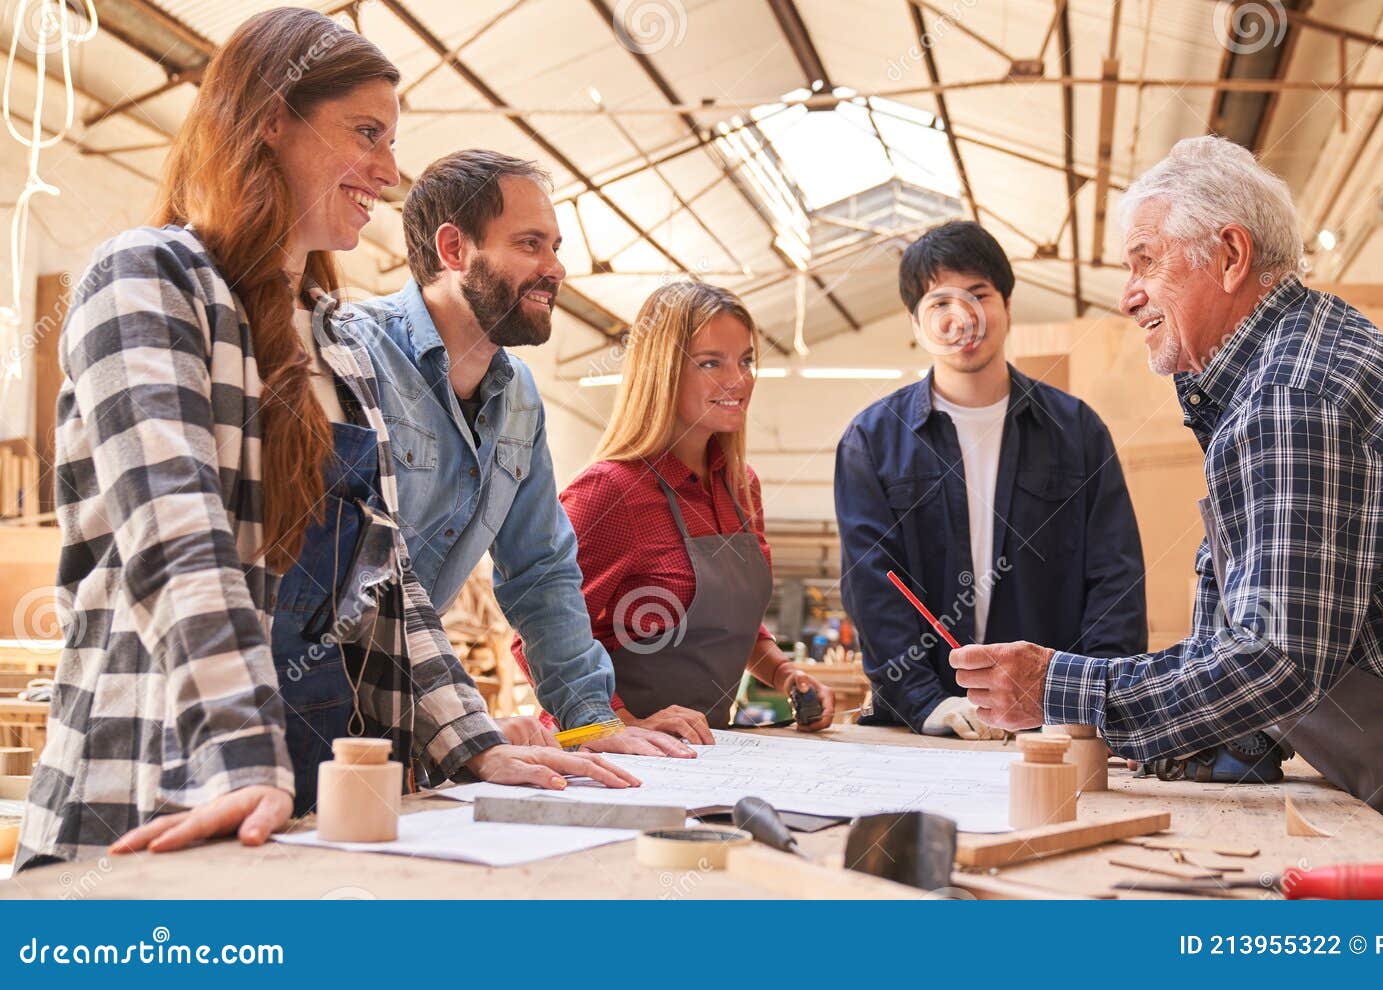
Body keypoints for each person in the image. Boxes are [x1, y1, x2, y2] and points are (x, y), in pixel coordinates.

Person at [14, 9, 635, 871]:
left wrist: (473, 742)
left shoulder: (336, 341)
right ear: (271, 120)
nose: (388, 172)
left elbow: (390, 586)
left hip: (317, 788)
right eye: (367, 134)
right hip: (164, 776)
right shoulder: (148, 280)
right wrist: (239, 752)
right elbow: (175, 537)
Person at [946, 136, 1383, 898]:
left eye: (1145, 261)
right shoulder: (1272, 369)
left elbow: (1277, 658)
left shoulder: (1292, 395)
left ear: (1229, 254)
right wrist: (1187, 730)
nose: (1127, 295)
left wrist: (1061, 687)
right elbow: (1260, 620)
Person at [351, 150, 702, 753]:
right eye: (530, 244)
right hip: (307, 693)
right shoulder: (359, 357)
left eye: (557, 247)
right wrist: (470, 730)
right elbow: (364, 573)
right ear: (454, 250)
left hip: (406, 705)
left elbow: (541, 570)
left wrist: (590, 722)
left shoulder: (518, 397)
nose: (556, 268)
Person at [834, 221, 1147, 738]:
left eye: (979, 294)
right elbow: (871, 586)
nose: (964, 317)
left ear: (1006, 305)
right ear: (916, 323)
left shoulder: (1077, 431)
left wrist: (1096, 706)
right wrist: (925, 702)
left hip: (1053, 728)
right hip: (921, 730)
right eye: (940, 304)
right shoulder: (872, 441)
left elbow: (1115, 576)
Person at [513, 281, 835, 733]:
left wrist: (785, 673)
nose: (738, 380)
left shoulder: (741, 489)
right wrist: (625, 725)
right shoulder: (611, 491)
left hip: (703, 753)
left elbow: (729, 628)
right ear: (662, 373)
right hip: (607, 752)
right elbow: (538, 637)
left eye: (745, 361)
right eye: (710, 363)